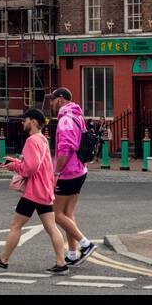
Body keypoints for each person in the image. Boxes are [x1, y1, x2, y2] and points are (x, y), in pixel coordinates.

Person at [0, 108, 69, 274]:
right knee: (52, 227)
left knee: (15, 225)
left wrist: (14, 166)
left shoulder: (31, 141)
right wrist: (15, 161)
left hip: (34, 192)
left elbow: (30, 168)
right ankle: (61, 263)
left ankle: (4, 260)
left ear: (34, 122)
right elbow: (38, 164)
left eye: (25, 119)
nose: (23, 122)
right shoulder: (43, 139)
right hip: (44, 190)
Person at [49, 88, 95, 266]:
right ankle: (73, 254)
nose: (51, 104)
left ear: (60, 99)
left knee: (54, 213)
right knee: (68, 213)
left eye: (52, 100)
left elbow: (64, 150)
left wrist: (56, 173)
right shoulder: (77, 116)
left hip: (69, 173)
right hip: (80, 170)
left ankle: (86, 244)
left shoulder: (66, 120)